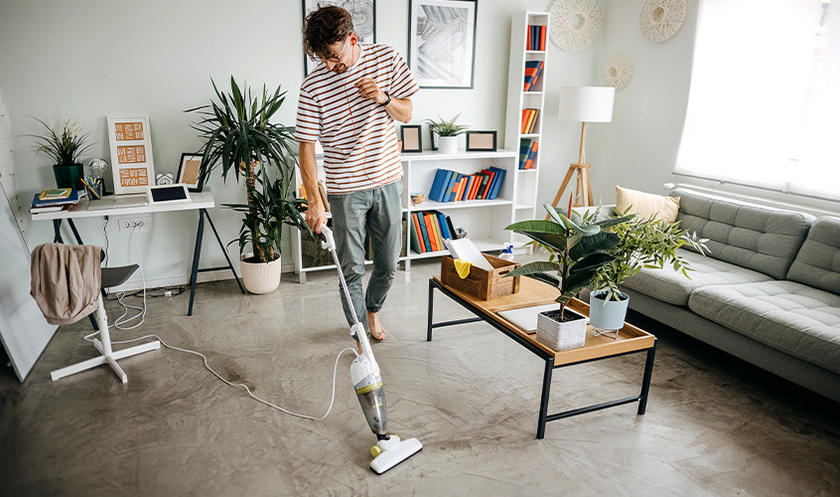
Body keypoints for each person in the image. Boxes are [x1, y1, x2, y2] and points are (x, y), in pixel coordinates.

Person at [296, 6, 418, 347]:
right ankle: (360, 330)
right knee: (350, 269)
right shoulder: (313, 86)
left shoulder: (387, 58)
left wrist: (384, 97)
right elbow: (306, 147)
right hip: (345, 190)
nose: (330, 66)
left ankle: (371, 308)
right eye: (322, 59)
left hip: (388, 181)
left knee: (388, 264)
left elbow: (407, 113)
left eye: (334, 56)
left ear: (352, 39)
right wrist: (314, 202)